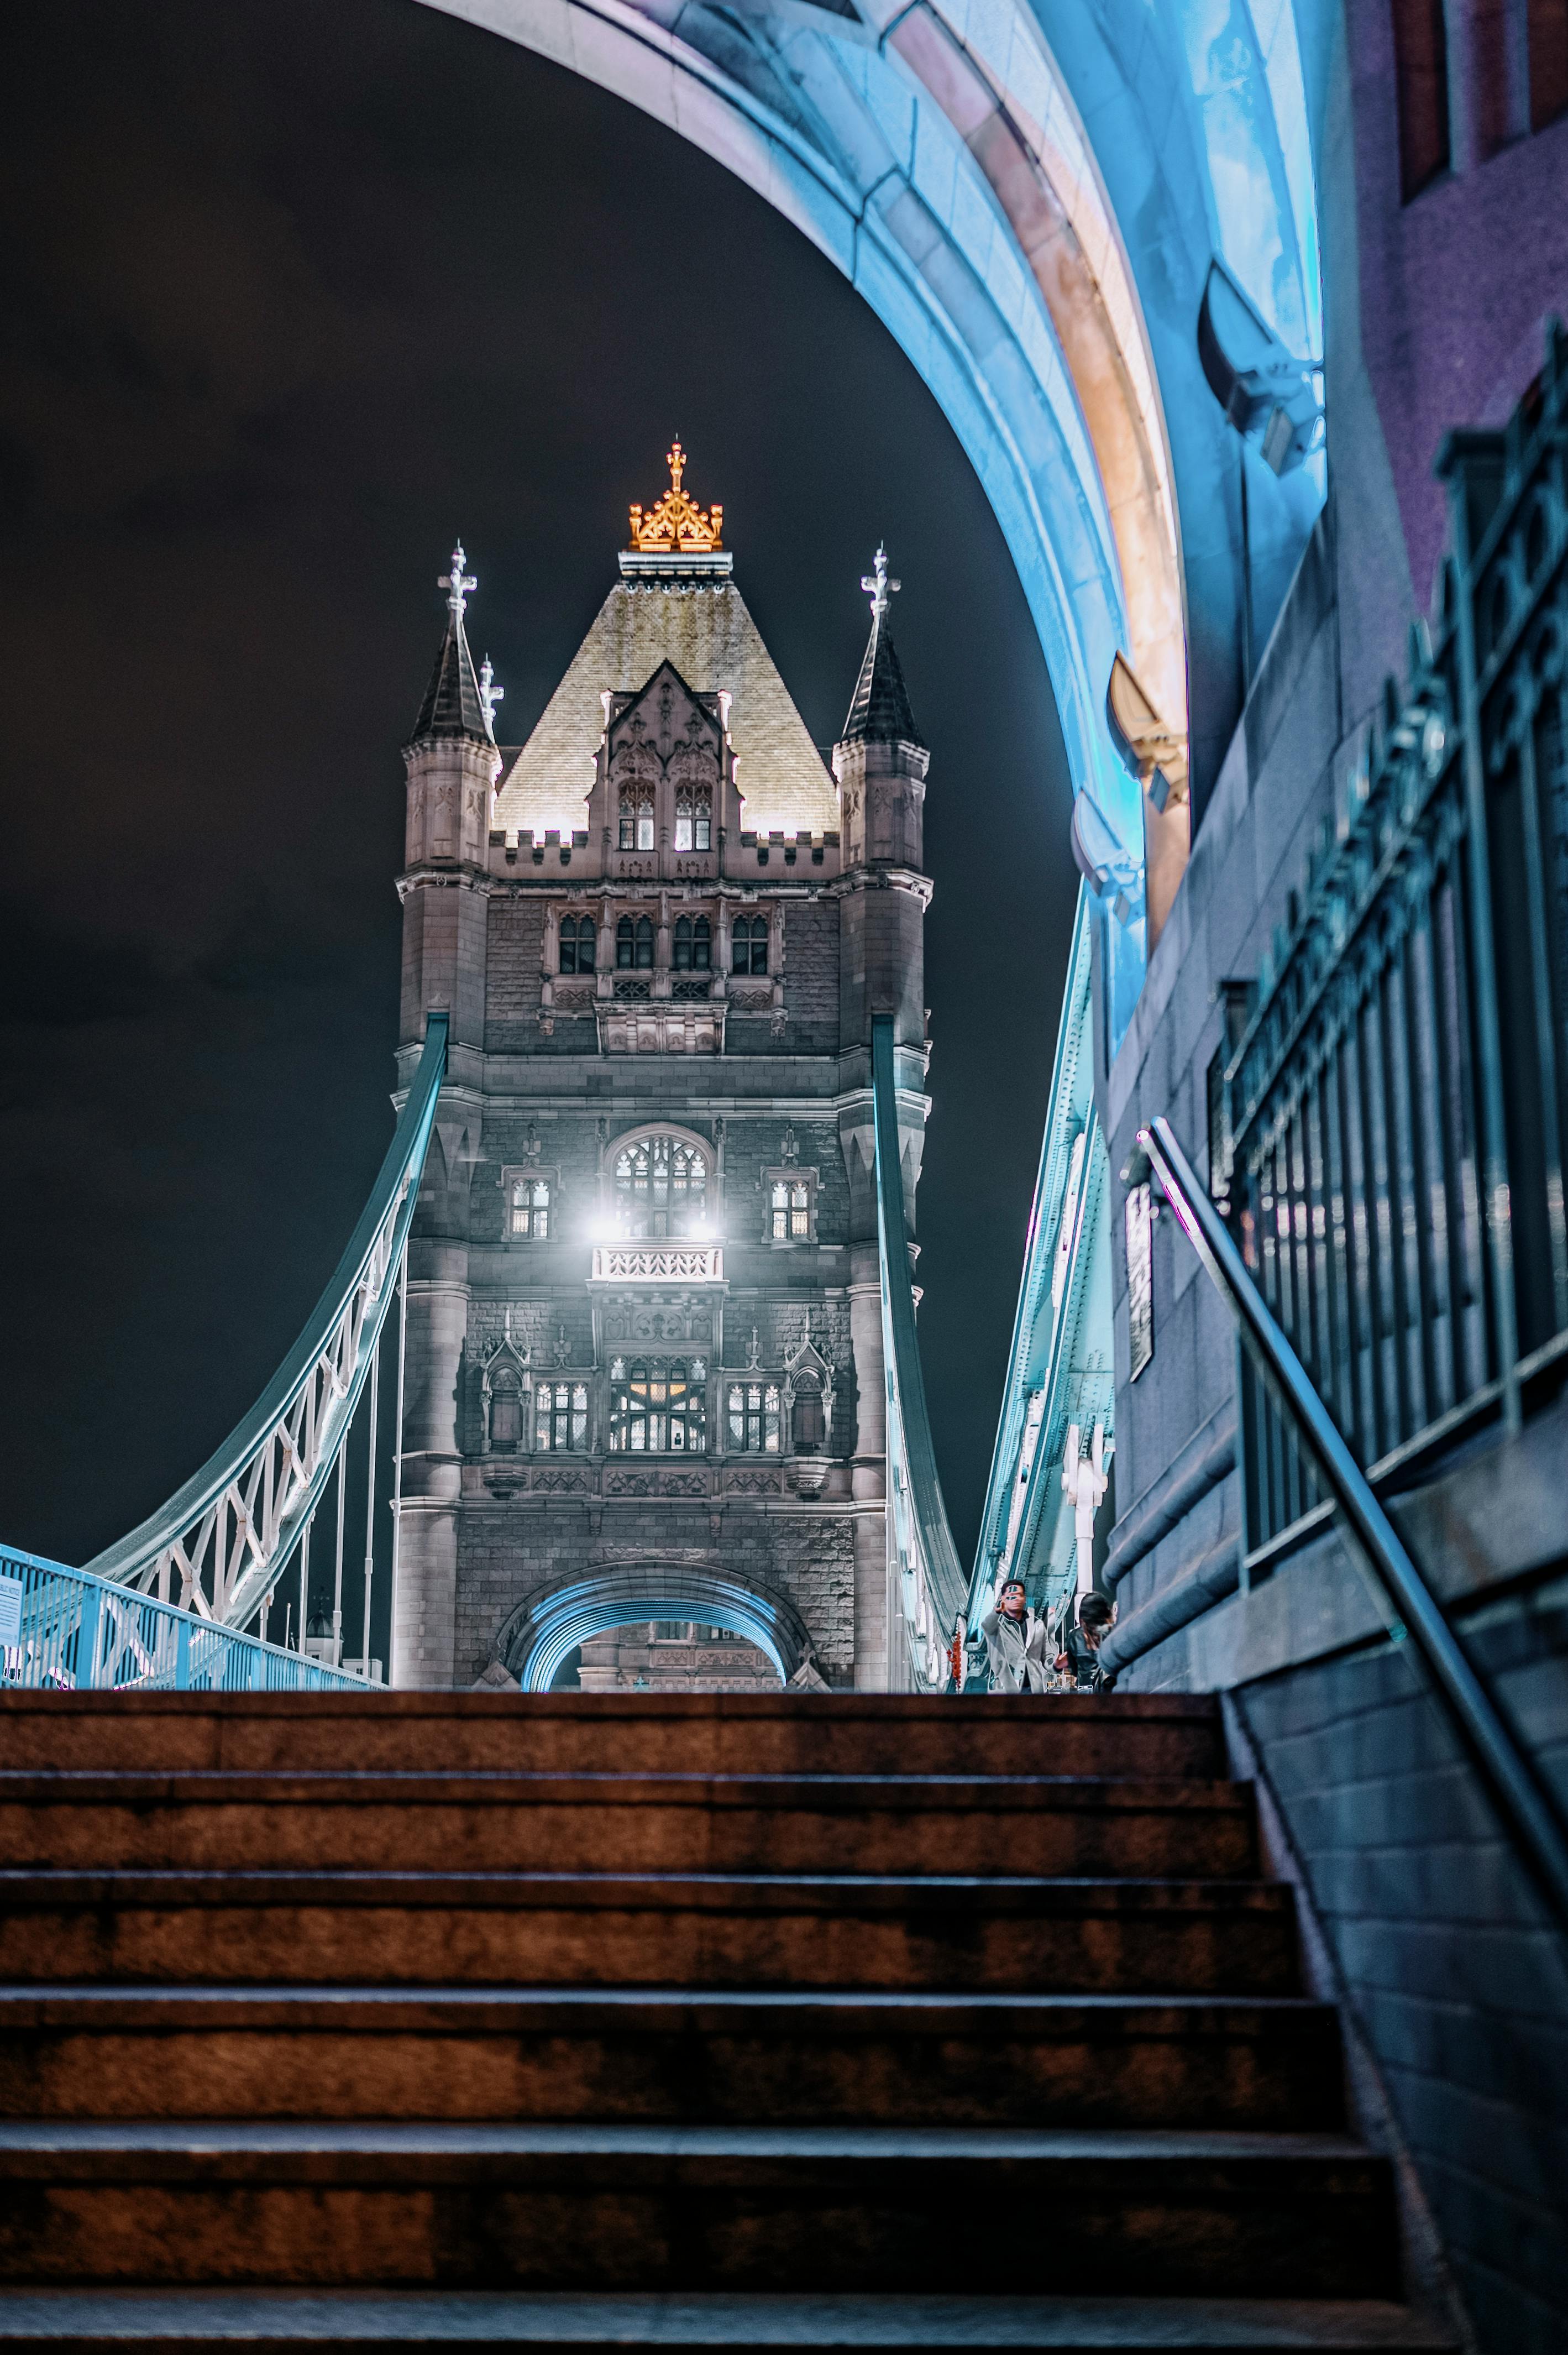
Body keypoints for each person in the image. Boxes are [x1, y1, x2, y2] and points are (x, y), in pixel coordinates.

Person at [980, 1577, 1051, 1693]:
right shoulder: (997, 1626)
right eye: (1011, 1596)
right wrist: (997, 1611)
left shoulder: (1037, 1624)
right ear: (1003, 1599)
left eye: (1019, 1595)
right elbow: (987, 1626)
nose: (1015, 1599)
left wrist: (1056, 1665)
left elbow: (1047, 1655)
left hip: (1034, 1690)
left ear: (1024, 1599)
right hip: (1006, 1690)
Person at [1055, 1590, 1116, 1691]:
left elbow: (1074, 1670)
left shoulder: (1074, 1635)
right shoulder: (1112, 1632)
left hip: (1084, 1689)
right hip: (1106, 1688)